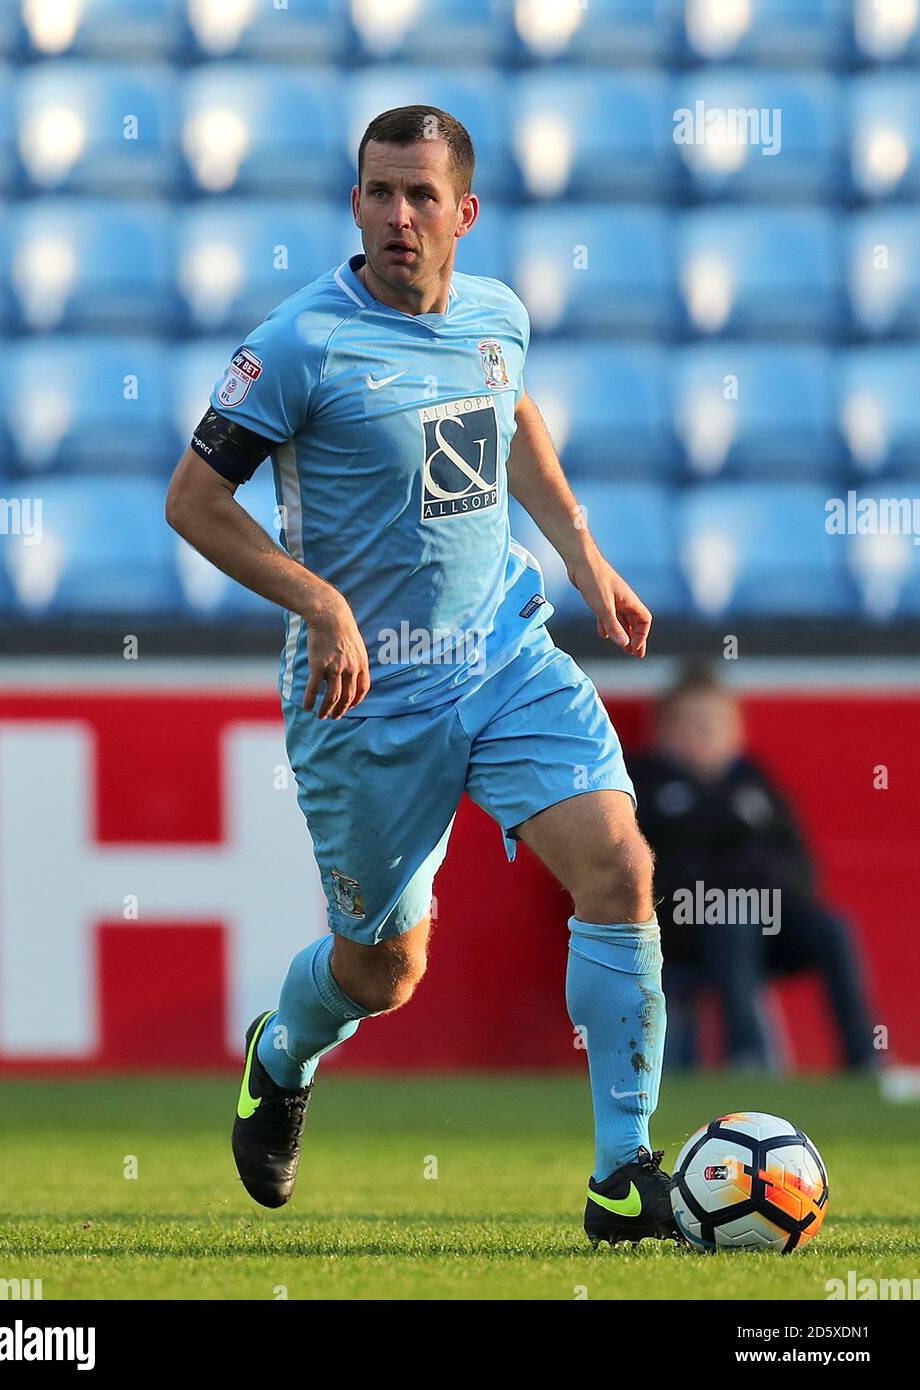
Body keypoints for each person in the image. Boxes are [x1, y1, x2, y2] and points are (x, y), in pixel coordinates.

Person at [166, 106, 675, 1245]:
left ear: (464, 214)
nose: (399, 216)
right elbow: (192, 501)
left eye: (421, 197)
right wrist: (320, 599)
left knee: (621, 867)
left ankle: (621, 1174)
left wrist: (581, 553)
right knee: (385, 969)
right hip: (367, 697)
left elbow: (509, 416)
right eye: (379, 193)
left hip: (500, 653)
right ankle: (284, 1050)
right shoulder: (299, 345)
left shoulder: (498, 317)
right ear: (355, 203)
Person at [629, 667, 878, 1071]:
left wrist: (762, 889)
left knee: (833, 928)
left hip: (769, 914)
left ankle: (863, 1058)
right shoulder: (645, 785)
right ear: (664, 732)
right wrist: (733, 886)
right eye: (691, 725)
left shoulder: (753, 780)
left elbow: (798, 862)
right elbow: (655, 872)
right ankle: (747, 1056)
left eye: (715, 725)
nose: (704, 736)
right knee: (732, 921)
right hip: (684, 926)